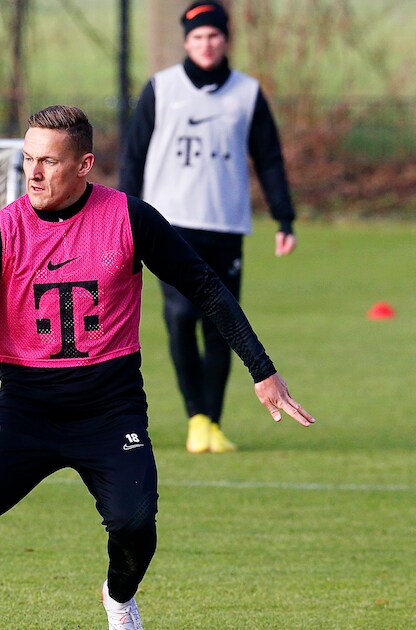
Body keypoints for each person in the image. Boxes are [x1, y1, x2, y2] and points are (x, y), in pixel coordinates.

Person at [0, 105, 313, 630]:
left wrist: (261, 370)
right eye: (27, 159)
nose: (33, 173)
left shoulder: (130, 219)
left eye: (49, 162)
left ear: (84, 164)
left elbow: (204, 286)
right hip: (26, 409)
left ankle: (118, 597)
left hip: (110, 410)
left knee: (135, 525)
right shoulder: (2, 230)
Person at [118, 1, 297, 454]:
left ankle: (212, 422)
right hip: (170, 224)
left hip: (225, 223)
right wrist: (120, 219)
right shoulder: (162, 88)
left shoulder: (247, 93)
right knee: (179, 319)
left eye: (214, 36)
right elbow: (134, 158)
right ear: (186, 41)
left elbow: (269, 158)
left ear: (226, 39)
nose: (206, 44)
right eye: (198, 37)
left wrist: (284, 216)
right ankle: (196, 416)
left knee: (222, 326)